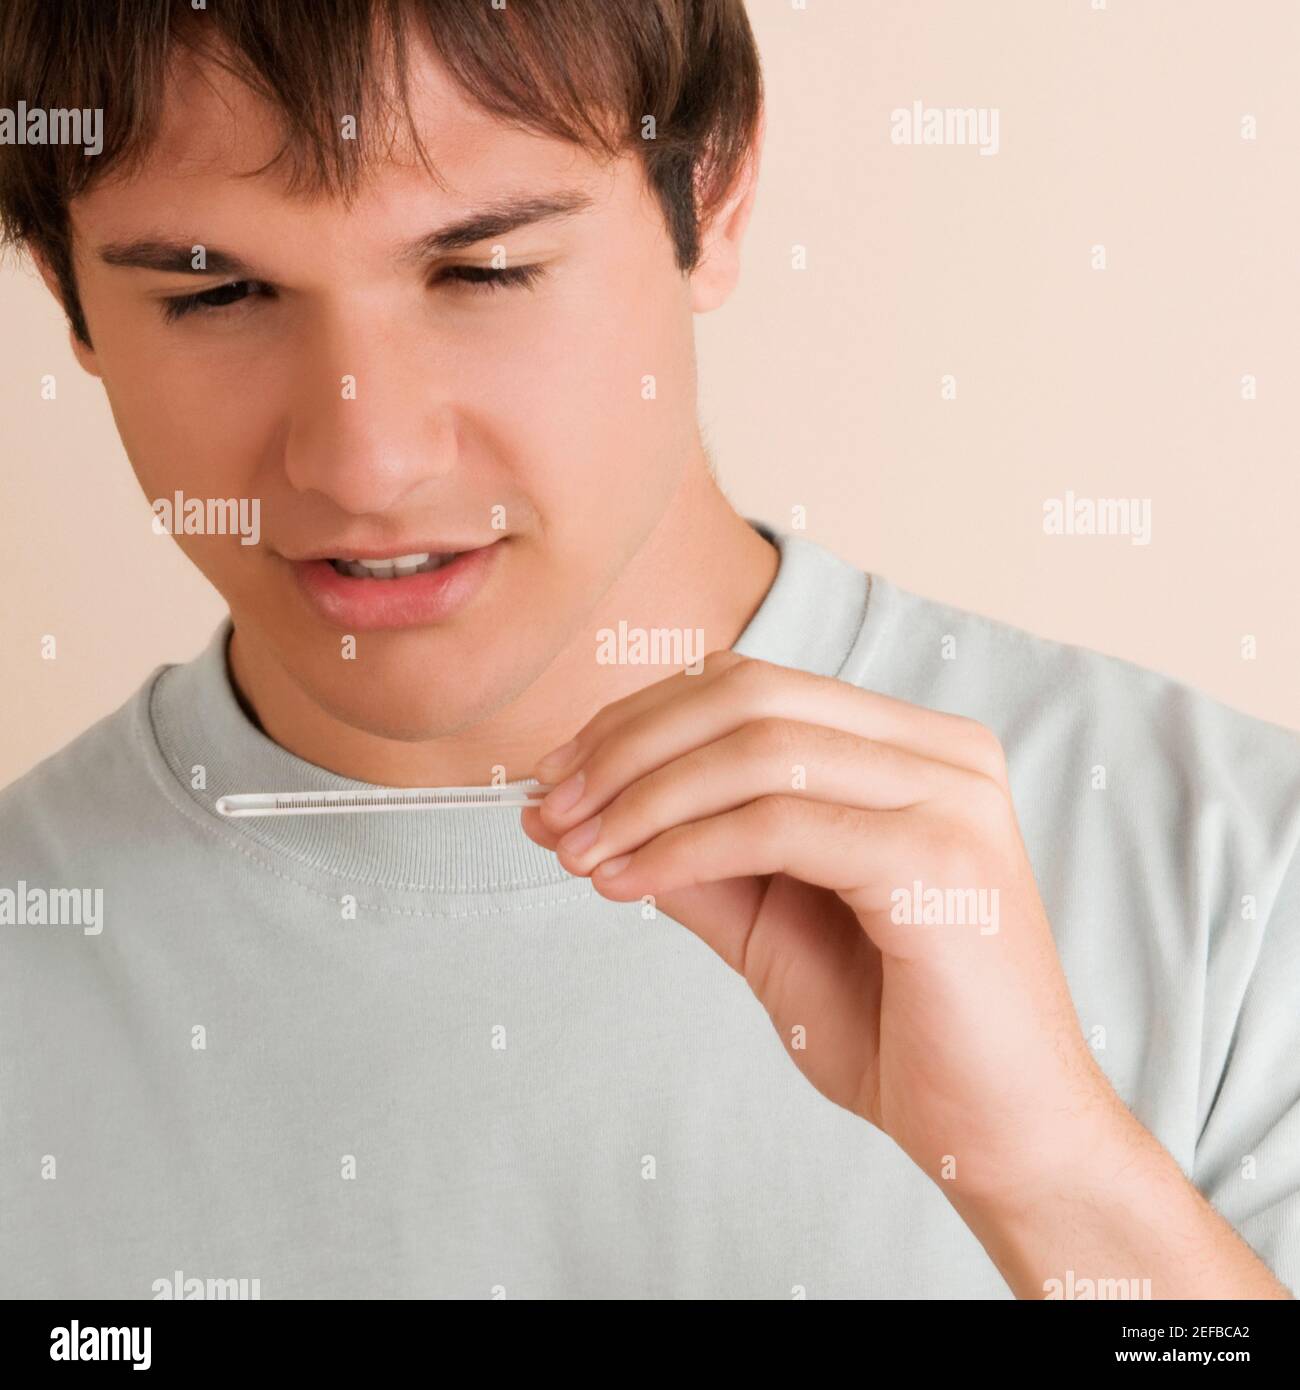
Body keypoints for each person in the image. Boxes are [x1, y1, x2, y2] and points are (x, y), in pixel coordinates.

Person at [0, 0, 1295, 1300]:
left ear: (713, 195)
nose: (367, 460)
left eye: (482, 270)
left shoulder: (1240, 884)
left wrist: (1057, 1181)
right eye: (216, 292)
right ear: (70, 293)